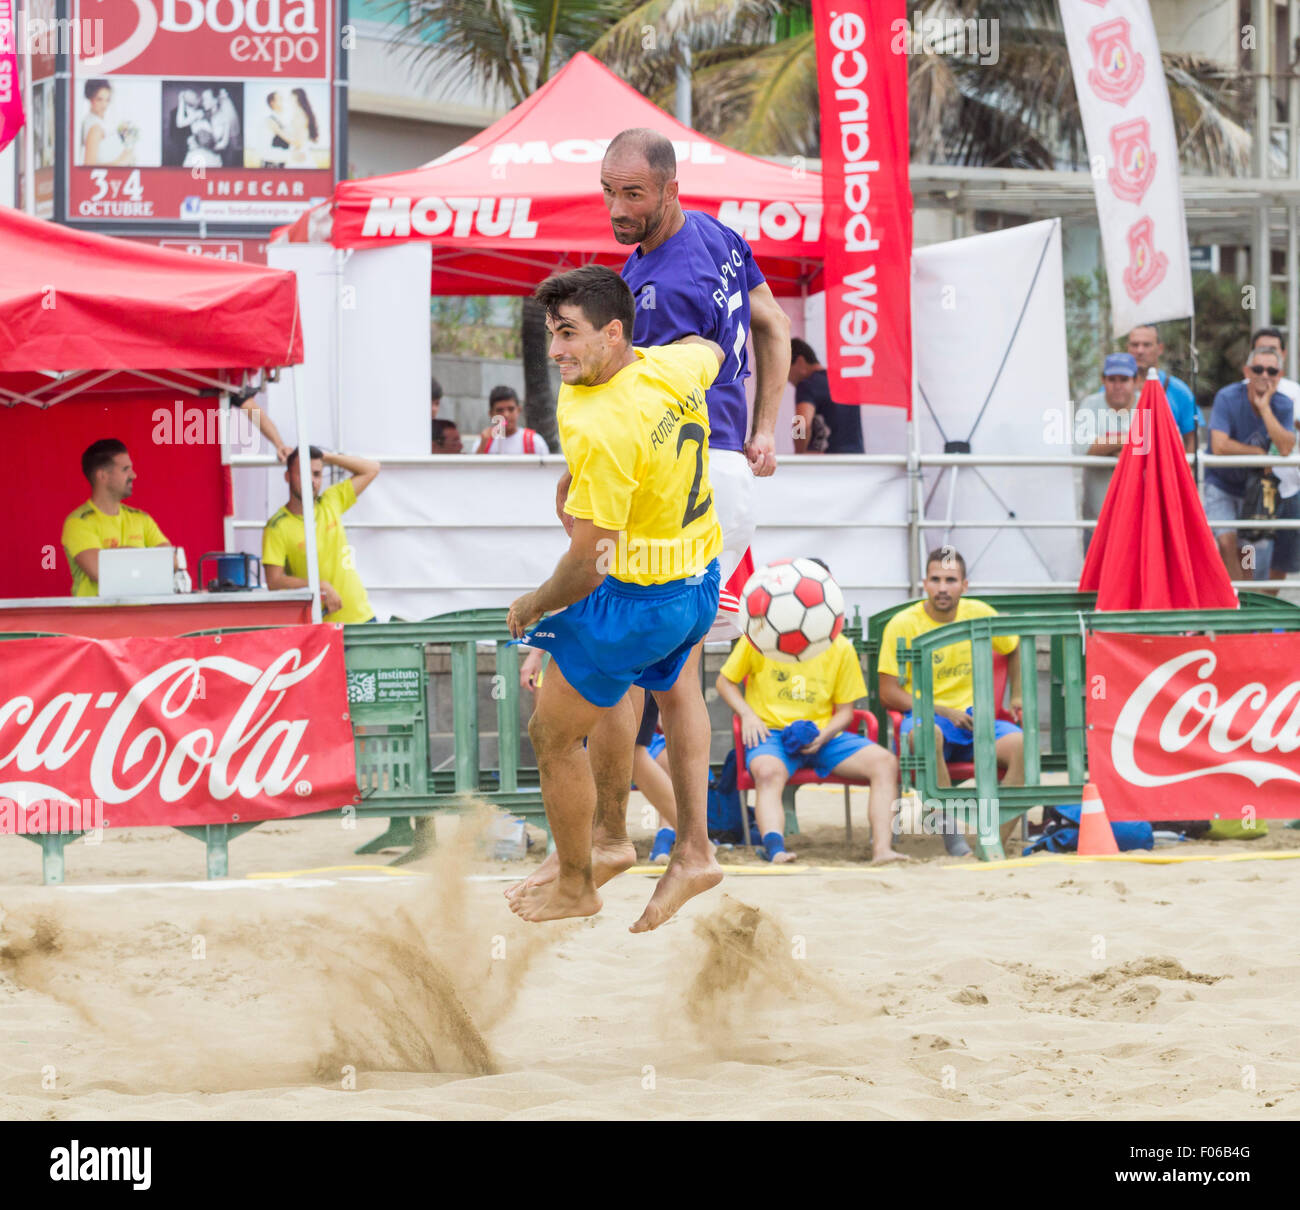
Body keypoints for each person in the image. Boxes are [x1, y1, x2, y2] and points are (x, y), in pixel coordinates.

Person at [503, 265, 725, 931]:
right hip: (698, 584)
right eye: (551, 334)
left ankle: (579, 881)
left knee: (550, 731)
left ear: (613, 333)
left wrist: (536, 604)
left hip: (635, 601)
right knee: (617, 698)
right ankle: (670, 848)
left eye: (569, 334)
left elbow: (589, 565)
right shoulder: (672, 367)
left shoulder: (602, 425)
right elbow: (714, 347)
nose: (556, 351)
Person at [600, 126, 790, 637]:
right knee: (674, 673)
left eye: (633, 194)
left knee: (636, 659)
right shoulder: (714, 232)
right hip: (726, 473)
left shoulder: (664, 289)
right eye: (609, 191)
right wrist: (766, 429)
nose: (617, 208)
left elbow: (645, 411)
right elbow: (774, 322)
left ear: (671, 190)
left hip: (688, 483)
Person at [715, 564, 905, 866]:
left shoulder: (841, 647)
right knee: (767, 772)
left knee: (885, 763)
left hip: (825, 735)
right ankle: (775, 849)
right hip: (771, 734)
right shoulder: (759, 636)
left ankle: (882, 849)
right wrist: (748, 715)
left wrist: (823, 736)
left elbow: (846, 712)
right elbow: (724, 681)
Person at [877, 548, 1026, 856]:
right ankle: (955, 841)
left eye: (950, 580)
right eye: (935, 579)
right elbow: (887, 692)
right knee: (925, 736)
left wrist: (1017, 695)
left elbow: (1014, 645)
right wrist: (942, 710)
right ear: (924, 584)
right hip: (928, 718)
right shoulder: (902, 624)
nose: (943, 587)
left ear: (965, 585)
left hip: (977, 721)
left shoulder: (981, 613)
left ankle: (993, 841)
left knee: (1025, 746)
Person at [1205, 345, 1297, 583]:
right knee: (1226, 542)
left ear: (1279, 374)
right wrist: (1257, 452)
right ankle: (1238, 606)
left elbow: (1286, 447)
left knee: (1249, 554)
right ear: (1247, 371)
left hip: (1255, 489)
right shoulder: (1227, 397)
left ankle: (1244, 606)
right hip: (1222, 484)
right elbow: (1219, 445)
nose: (1264, 375)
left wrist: (1265, 407)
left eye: (1271, 370)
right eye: (1258, 369)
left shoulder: (1283, 404)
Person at [262, 445, 381, 623]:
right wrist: (318, 586)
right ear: (287, 477)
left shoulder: (330, 500)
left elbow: (372, 468)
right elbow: (274, 581)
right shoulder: (277, 526)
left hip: (362, 617)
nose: (311, 480)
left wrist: (326, 456)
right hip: (321, 626)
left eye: (317, 474)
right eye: (303, 473)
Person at [62, 440, 171, 597]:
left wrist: (112, 557)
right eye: (125, 469)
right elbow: (98, 570)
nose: (134, 475)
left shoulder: (141, 518)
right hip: (95, 619)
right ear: (103, 476)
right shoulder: (78, 522)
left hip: (143, 618)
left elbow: (170, 562)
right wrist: (148, 557)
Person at [1240, 329, 1300, 587]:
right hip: (1250, 489)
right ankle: (1248, 615)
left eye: (1273, 352)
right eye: (1261, 355)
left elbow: (1287, 443)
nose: (1265, 369)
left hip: (1287, 487)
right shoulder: (1238, 392)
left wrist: (1266, 408)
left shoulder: (1293, 394)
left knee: (1281, 560)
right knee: (1249, 556)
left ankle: (1268, 616)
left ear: (1282, 356)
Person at [1073, 352, 1139, 555]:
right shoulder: (1090, 404)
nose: (1118, 385)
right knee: (1097, 582)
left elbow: (1164, 444)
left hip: (1140, 516)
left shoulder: (1150, 404)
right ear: (1103, 380)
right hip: (1098, 517)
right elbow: (1082, 448)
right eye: (1112, 379)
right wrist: (1130, 440)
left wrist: (1108, 445)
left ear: (1135, 381)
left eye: (1124, 379)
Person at [1126, 323, 1199, 452]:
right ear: (1128, 348)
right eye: (1135, 345)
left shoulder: (1180, 392)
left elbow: (1192, 438)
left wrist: (1187, 470)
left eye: (1147, 345)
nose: (1140, 351)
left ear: (1160, 348)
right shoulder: (1112, 389)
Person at [788, 338, 865, 454]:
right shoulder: (848, 381)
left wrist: (799, 454)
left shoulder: (806, 384)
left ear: (800, 361)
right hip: (857, 459)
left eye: (786, 370)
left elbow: (800, 423)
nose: (787, 379)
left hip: (826, 463)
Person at [474, 386, 550, 454]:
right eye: (500, 410)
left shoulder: (534, 441)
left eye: (511, 409)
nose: (506, 415)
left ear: (519, 410)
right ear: (491, 414)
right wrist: (483, 445)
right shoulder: (483, 441)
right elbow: (473, 468)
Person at [79, 80, 134, 167]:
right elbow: (89, 167)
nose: (104, 105)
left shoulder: (100, 122)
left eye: (107, 100)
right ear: (90, 99)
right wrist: (121, 161)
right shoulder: (95, 128)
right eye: (99, 99)